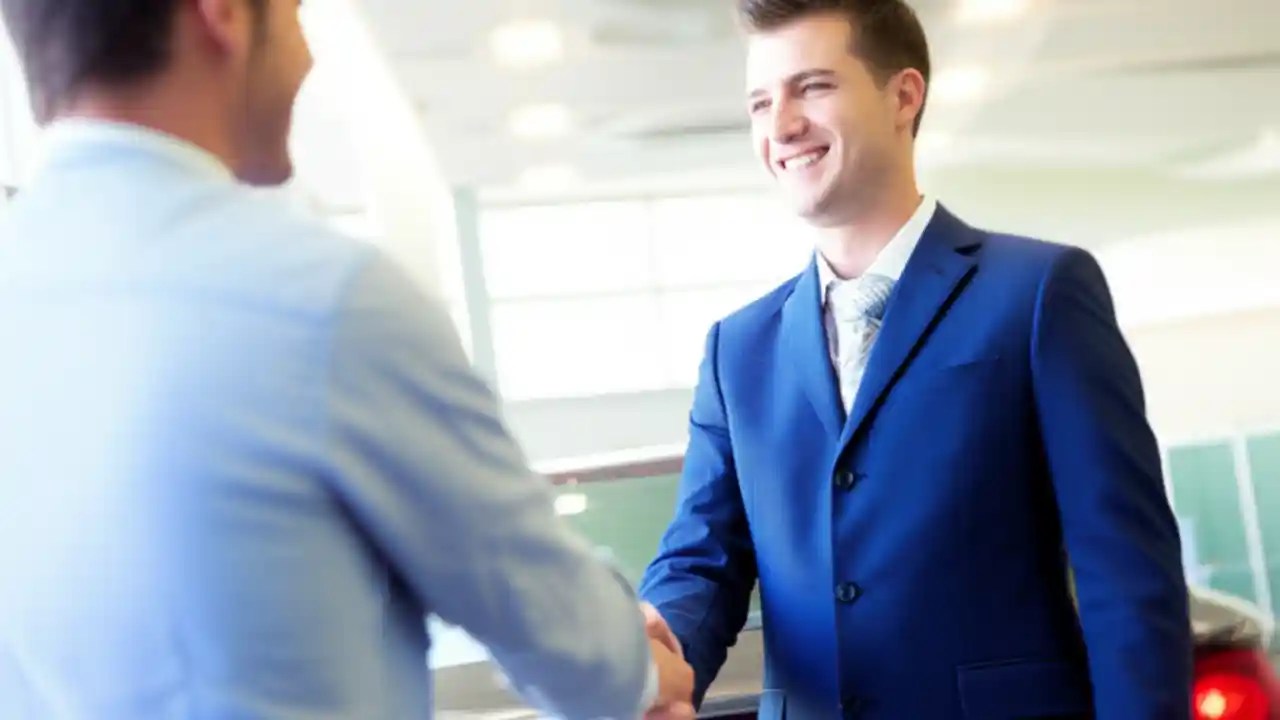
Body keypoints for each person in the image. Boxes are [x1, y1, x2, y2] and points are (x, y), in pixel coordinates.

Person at [0, 0, 695, 718]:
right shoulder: (320, 300)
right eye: (297, 12)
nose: (305, 56)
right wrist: (638, 663)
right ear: (223, 15)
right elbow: (580, 652)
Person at [638, 1, 1193, 718]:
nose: (781, 126)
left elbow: (1127, 575)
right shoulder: (736, 350)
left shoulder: (1037, 295)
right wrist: (657, 652)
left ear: (904, 95)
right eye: (760, 102)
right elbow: (701, 561)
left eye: (813, 87)